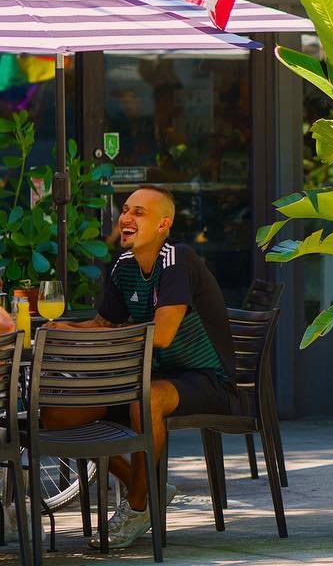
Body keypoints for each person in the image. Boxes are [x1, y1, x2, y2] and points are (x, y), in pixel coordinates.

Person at [42, 185, 239, 549]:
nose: (126, 218)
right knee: (56, 416)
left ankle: (137, 506)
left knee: (145, 399)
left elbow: (161, 335)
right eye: (126, 210)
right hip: (150, 377)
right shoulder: (124, 266)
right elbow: (103, 324)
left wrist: (109, 341)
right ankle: (146, 482)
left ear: (164, 224)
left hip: (208, 380)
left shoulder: (177, 259)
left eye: (139, 213)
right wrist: (62, 328)